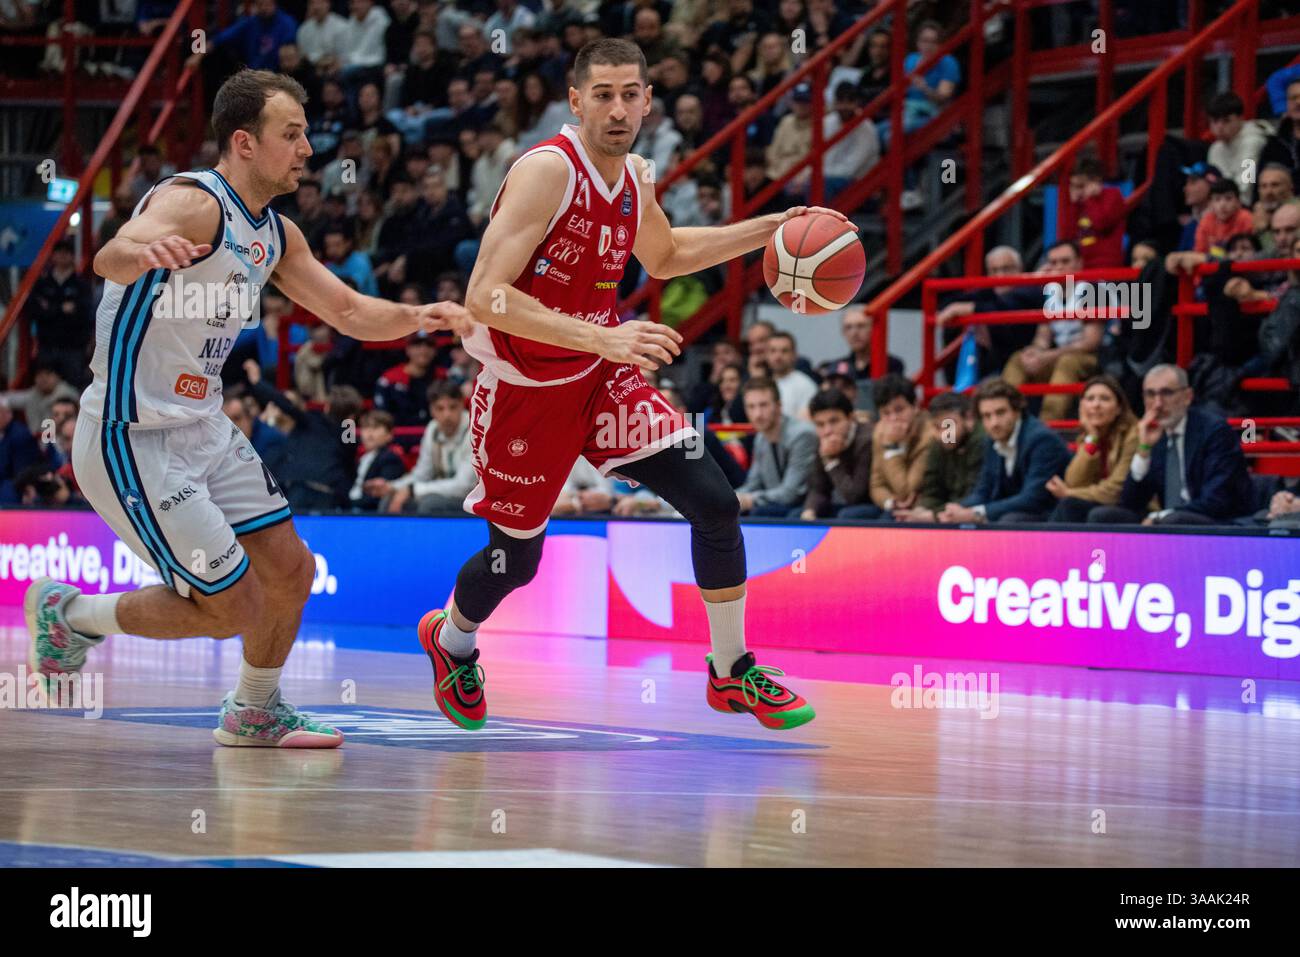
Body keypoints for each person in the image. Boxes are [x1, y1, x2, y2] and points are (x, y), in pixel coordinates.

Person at [27, 69, 468, 747]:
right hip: (130, 435)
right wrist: (143, 251)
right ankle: (73, 614)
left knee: (292, 568)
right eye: (290, 135)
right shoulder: (193, 202)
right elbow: (110, 257)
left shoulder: (278, 234)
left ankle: (254, 708)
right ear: (243, 142)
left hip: (204, 426)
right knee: (230, 603)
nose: (307, 149)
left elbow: (347, 310)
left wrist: (421, 316)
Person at [423, 40, 852, 733]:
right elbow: (483, 297)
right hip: (526, 388)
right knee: (515, 561)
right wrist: (602, 335)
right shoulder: (546, 173)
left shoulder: (635, 176)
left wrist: (774, 229)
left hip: (602, 377)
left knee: (715, 501)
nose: (618, 108)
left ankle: (731, 670)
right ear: (575, 101)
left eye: (630, 93)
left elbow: (668, 253)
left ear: (649, 100)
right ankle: (452, 639)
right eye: (603, 94)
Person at [1090, 365, 1255, 525]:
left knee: (1174, 521)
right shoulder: (1154, 434)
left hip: (1216, 523)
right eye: (1150, 394)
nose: (1158, 403)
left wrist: (1160, 516)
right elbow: (1130, 502)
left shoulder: (1214, 431)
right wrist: (1144, 450)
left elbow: (1217, 500)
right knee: (1103, 516)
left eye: (1166, 393)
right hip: (1170, 522)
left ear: (1187, 397)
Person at [938, 379, 1071, 523]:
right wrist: (957, 510)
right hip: (1015, 512)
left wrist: (974, 513)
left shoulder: (1041, 440)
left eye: (1000, 413)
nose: (994, 423)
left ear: (1017, 411)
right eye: (987, 416)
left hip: (1052, 516)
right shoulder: (991, 440)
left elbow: (1033, 499)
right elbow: (984, 490)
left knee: (1007, 521)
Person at [1045, 374, 1140, 523]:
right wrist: (1092, 437)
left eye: (1105, 399)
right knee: (1068, 505)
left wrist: (1069, 492)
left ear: (1119, 408)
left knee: (1092, 512)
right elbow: (1074, 481)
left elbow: (1116, 491)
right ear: (1082, 406)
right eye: (1090, 399)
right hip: (1100, 504)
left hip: (1133, 507)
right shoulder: (1089, 438)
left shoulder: (1133, 436)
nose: (1096, 405)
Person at [377, 381, 477, 514]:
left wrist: (412, 490)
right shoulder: (432, 429)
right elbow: (422, 474)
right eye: (440, 408)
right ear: (431, 410)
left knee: (430, 504)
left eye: (453, 407)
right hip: (440, 493)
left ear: (462, 405)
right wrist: (392, 486)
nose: (447, 415)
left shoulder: (475, 430)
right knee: (388, 500)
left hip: (471, 498)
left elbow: (463, 486)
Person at [736, 377, 818, 517]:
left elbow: (791, 493)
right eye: (751, 407)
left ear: (779, 406)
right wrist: (729, 498)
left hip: (806, 507)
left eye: (764, 405)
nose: (758, 414)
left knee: (758, 512)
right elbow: (753, 484)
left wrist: (749, 500)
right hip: (777, 503)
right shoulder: (760, 438)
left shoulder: (802, 435)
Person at [899, 391, 983, 523]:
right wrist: (921, 509)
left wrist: (933, 514)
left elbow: (974, 495)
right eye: (936, 426)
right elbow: (932, 489)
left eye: (948, 426)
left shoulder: (980, 441)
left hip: (969, 512)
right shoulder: (938, 443)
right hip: (946, 509)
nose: (941, 434)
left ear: (968, 418)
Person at [800, 388, 874, 520]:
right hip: (846, 506)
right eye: (820, 424)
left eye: (834, 421)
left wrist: (832, 461)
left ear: (850, 418)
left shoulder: (867, 440)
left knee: (846, 516)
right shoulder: (822, 440)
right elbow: (819, 488)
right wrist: (810, 510)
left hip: (872, 506)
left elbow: (856, 496)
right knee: (799, 516)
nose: (827, 431)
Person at [348, 409, 407, 511]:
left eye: (375, 428)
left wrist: (348, 503)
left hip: (367, 513)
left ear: (389, 435)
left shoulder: (391, 459)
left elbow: (380, 496)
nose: (369, 433)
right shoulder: (360, 459)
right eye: (366, 428)